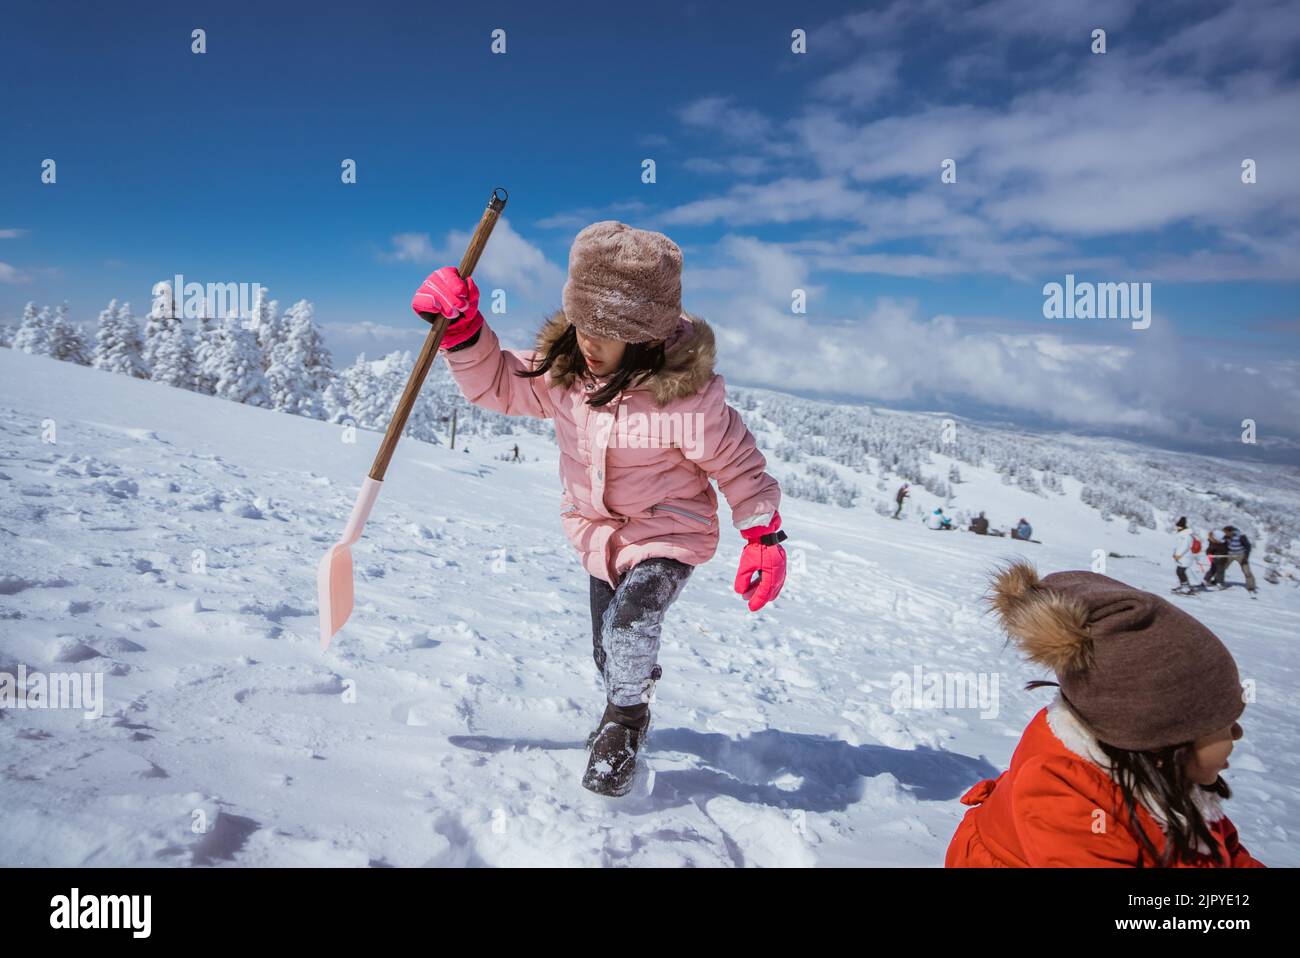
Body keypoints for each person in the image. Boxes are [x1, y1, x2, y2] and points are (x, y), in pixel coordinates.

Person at [413, 221, 787, 797]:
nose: (590, 341)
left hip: (669, 531)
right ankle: (628, 691)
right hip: (598, 535)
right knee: (606, 647)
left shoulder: (684, 398)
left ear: (643, 335)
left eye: (608, 332)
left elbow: (737, 464)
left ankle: (625, 723)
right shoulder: (563, 375)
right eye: (584, 324)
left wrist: (763, 535)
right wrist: (464, 334)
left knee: (633, 620)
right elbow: (498, 385)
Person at [946, 561, 1264, 868]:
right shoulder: (1062, 795)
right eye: (1223, 723)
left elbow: (1223, 854)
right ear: (1162, 734)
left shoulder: (1163, 772)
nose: (1237, 733)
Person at [1220, 525, 1257, 593]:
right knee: (1222, 567)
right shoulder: (1226, 536)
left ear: (1230, 531)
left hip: (1240, 554)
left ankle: (1251, 586)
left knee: (1246, 570)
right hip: (1230, 554)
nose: (1225, 534)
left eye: (1226, 532)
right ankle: (1219, 582)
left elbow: (1248, 546)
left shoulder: (1241, 536)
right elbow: (1222, 544)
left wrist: (1245, 557)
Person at [1172, 516, 1198, 595]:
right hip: (1182, 557)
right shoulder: (1183, 535)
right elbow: (1178, 546)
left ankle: (1185, 588)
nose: (1176, 528)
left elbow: (1185, 546)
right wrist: (1175, 554)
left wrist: (1178, 555)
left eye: (1178, 527)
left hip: (1185, 557)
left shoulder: (1186, 536)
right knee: (1180, 571)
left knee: (1180, 572)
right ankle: (1184, 586)